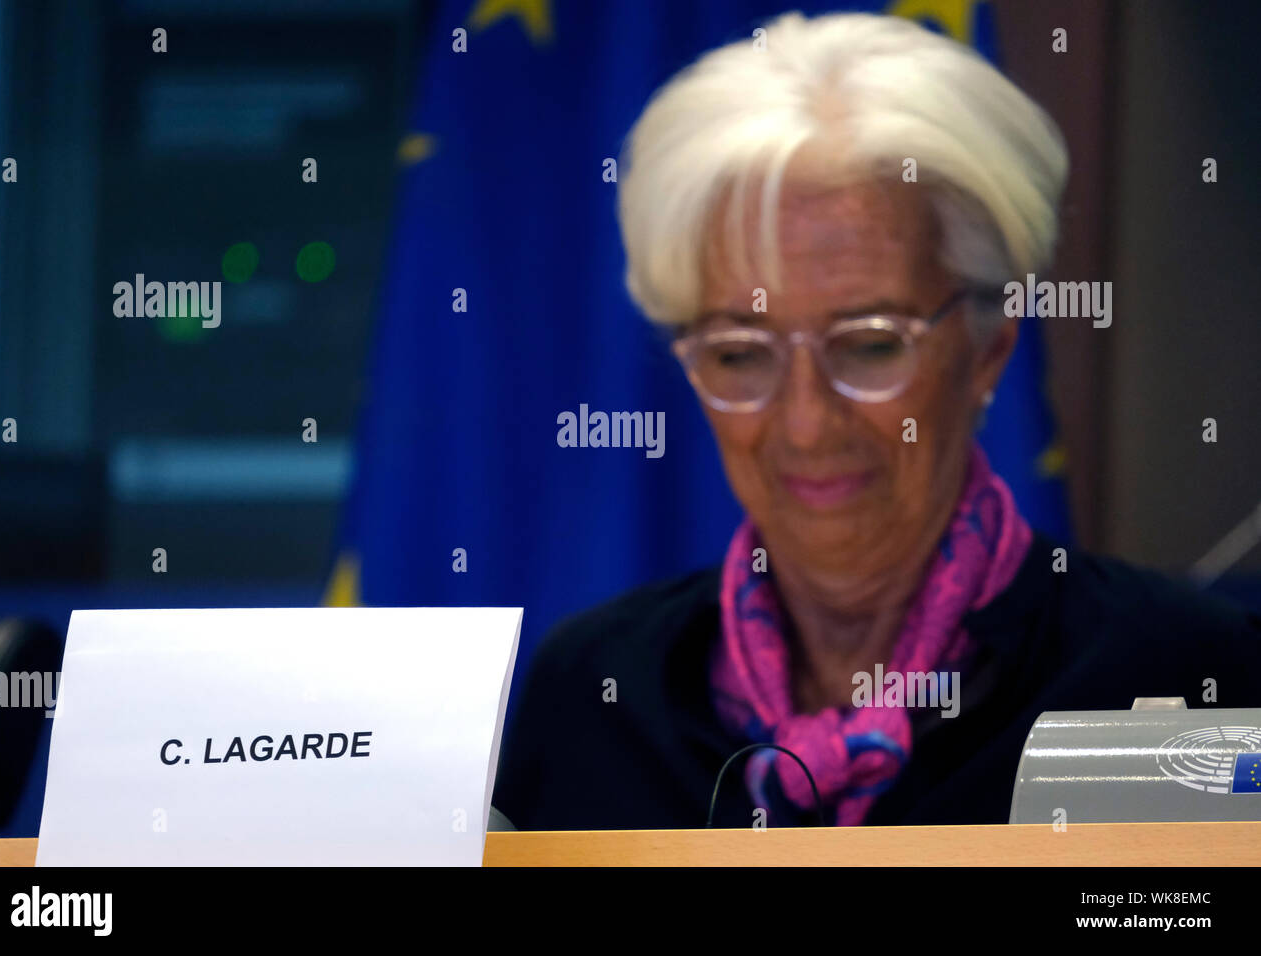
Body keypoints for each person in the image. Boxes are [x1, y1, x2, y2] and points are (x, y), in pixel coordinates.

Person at [493, 11, 1261, 830]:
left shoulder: (1185, 676)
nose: (806, 425)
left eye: (868, 346)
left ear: (988, 349)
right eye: (740, 354)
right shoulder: (591, 694)